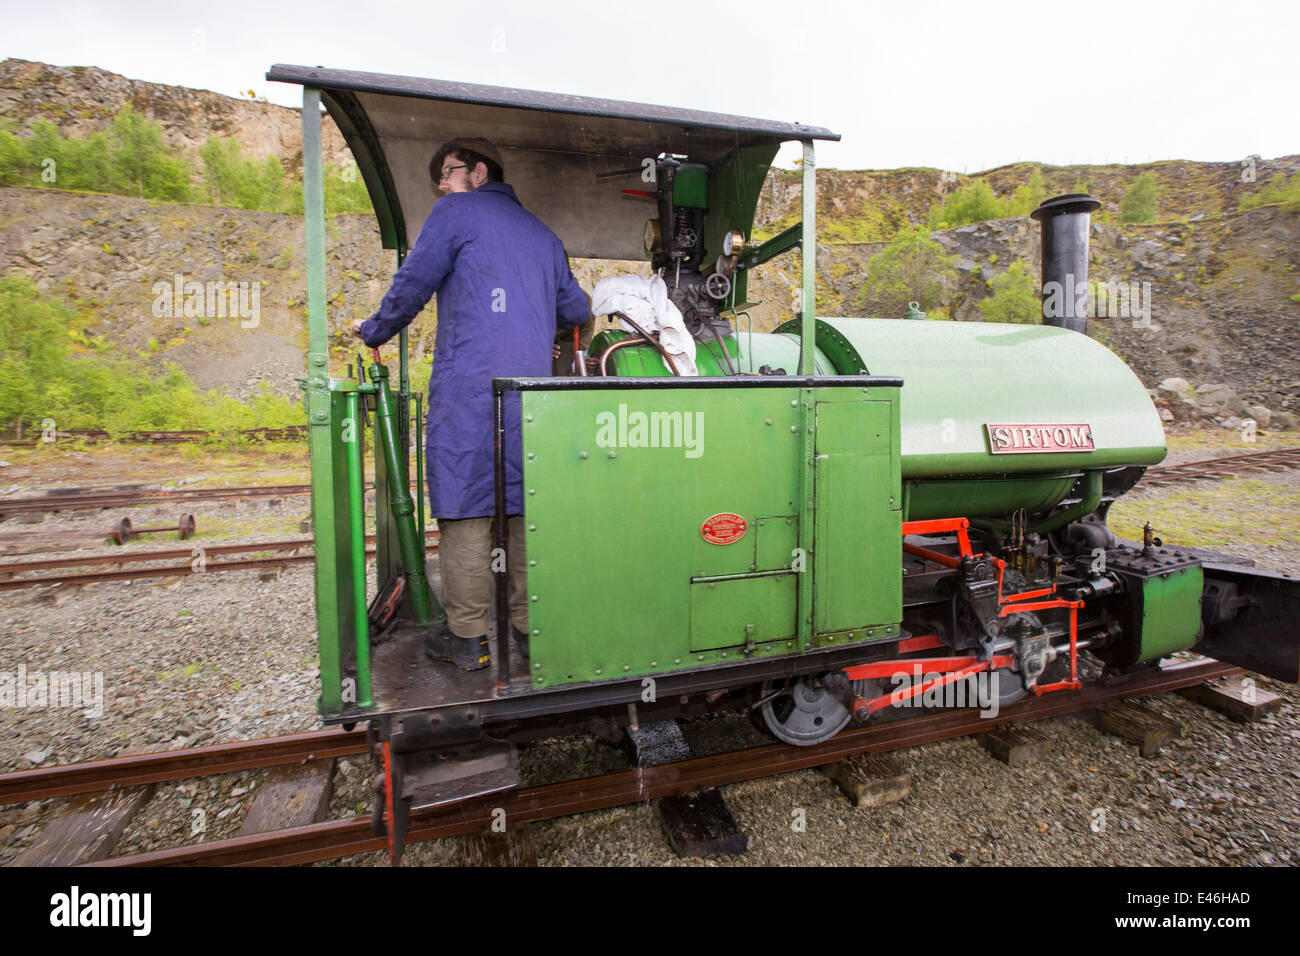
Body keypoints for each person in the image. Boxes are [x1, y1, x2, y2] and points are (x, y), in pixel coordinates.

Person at [351, 137, 590, 671]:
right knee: (525, 503)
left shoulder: (455, 212)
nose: (441, 183)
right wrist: (540, 332)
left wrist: (375, 329)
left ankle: (468, 639)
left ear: (478, 172)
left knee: (465, 506)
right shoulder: (545, 237)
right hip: (532, 399)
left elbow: (413, 283)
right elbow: (576, 309)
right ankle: (530, 630)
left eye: (448, 172)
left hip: (469, 391)